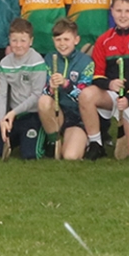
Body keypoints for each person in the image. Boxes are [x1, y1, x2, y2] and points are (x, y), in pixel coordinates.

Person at [80, 0, 129, 161]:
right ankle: (96, 144)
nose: (123, 15)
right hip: (112, 95)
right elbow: (97, 75)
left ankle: (127, 130)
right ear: (111, 11)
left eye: (128, 11)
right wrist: (110, 84)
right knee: (86, 95)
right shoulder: (104, 40)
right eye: (118, 10)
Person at [37, 16, 95, 161]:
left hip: (78, 117)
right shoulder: (49, 59)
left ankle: (82, 142)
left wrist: (66, 84)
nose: (62, 44)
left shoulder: (86, 62)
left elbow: (83, 95)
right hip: (58, 114)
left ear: (76, 40)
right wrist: (50, 87)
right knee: (43, 101)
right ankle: (53, 141)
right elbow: (42, 92)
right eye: (58, 40)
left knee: (70, 156)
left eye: (66, 39)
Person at [0, 17, 47, 160]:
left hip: (32, 114)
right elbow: (2, 95)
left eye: (23, 40)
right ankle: (13, 138)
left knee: (30, 155)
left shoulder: (38, 62)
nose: (18, 45)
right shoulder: (4, 63)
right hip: (12, 117)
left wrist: (13, 112)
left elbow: (36, 96)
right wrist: (2, 120)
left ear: (31, 41)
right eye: (14, 40)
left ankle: (44, 140)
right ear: (9, 40)